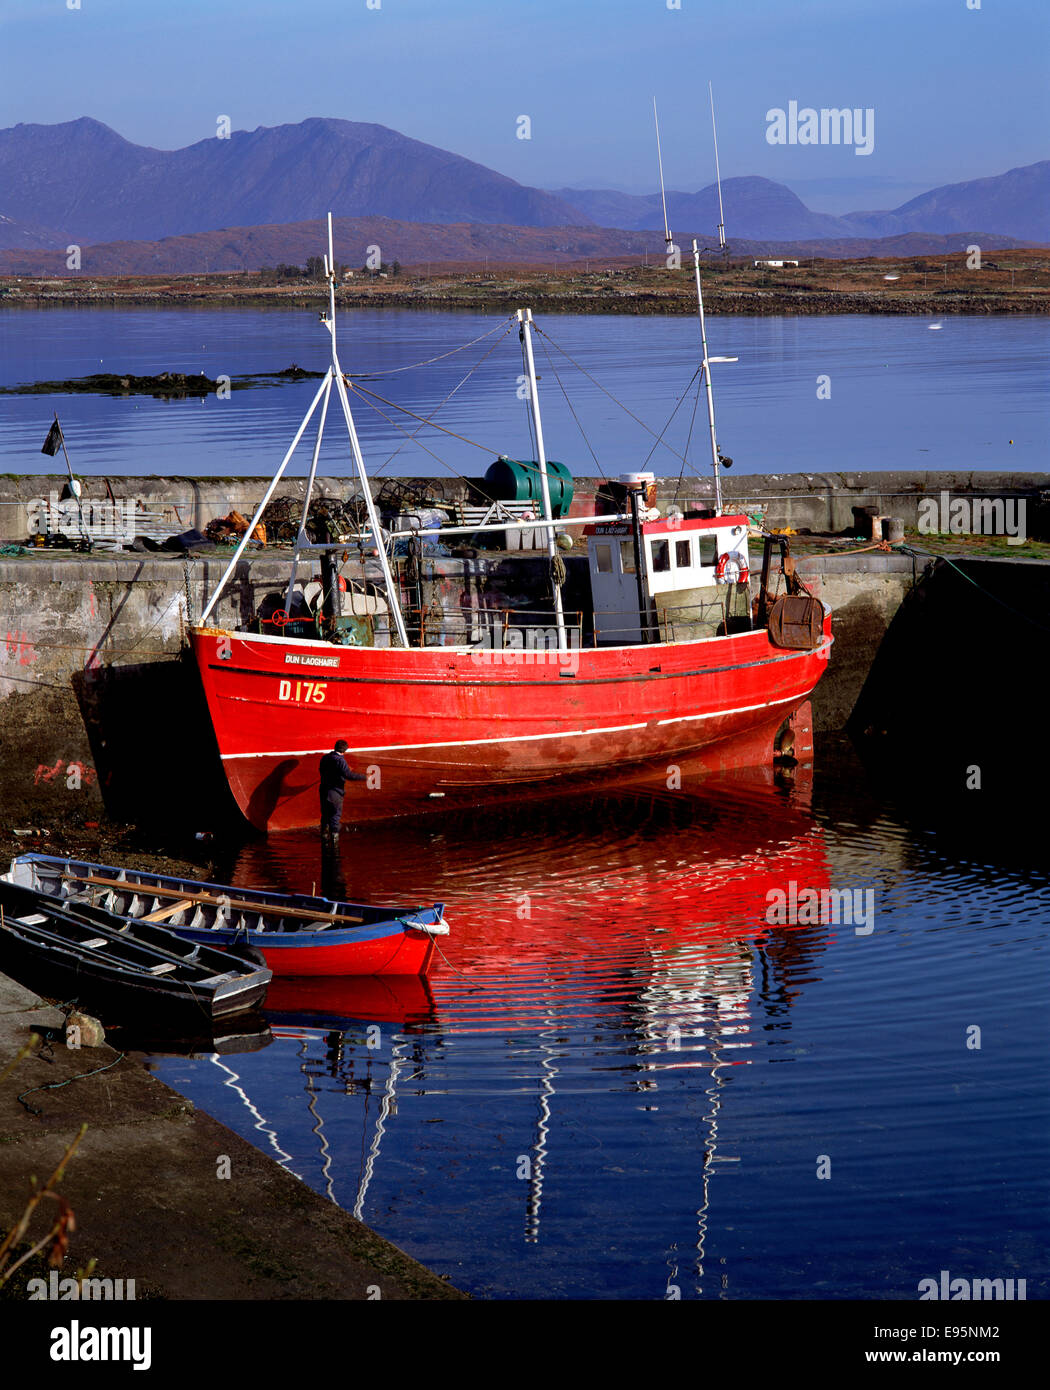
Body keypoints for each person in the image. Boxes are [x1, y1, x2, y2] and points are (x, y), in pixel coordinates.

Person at [319, 739, 364, 848]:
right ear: (345, 750)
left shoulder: (325, 757)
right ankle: (335, 844)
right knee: (335, 815)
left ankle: (324, 839)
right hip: (335, 792)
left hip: (323, 790)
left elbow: (321, 769)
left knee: (325, 814)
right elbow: (348, 775)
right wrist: (365, 777)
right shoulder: (340, 761)